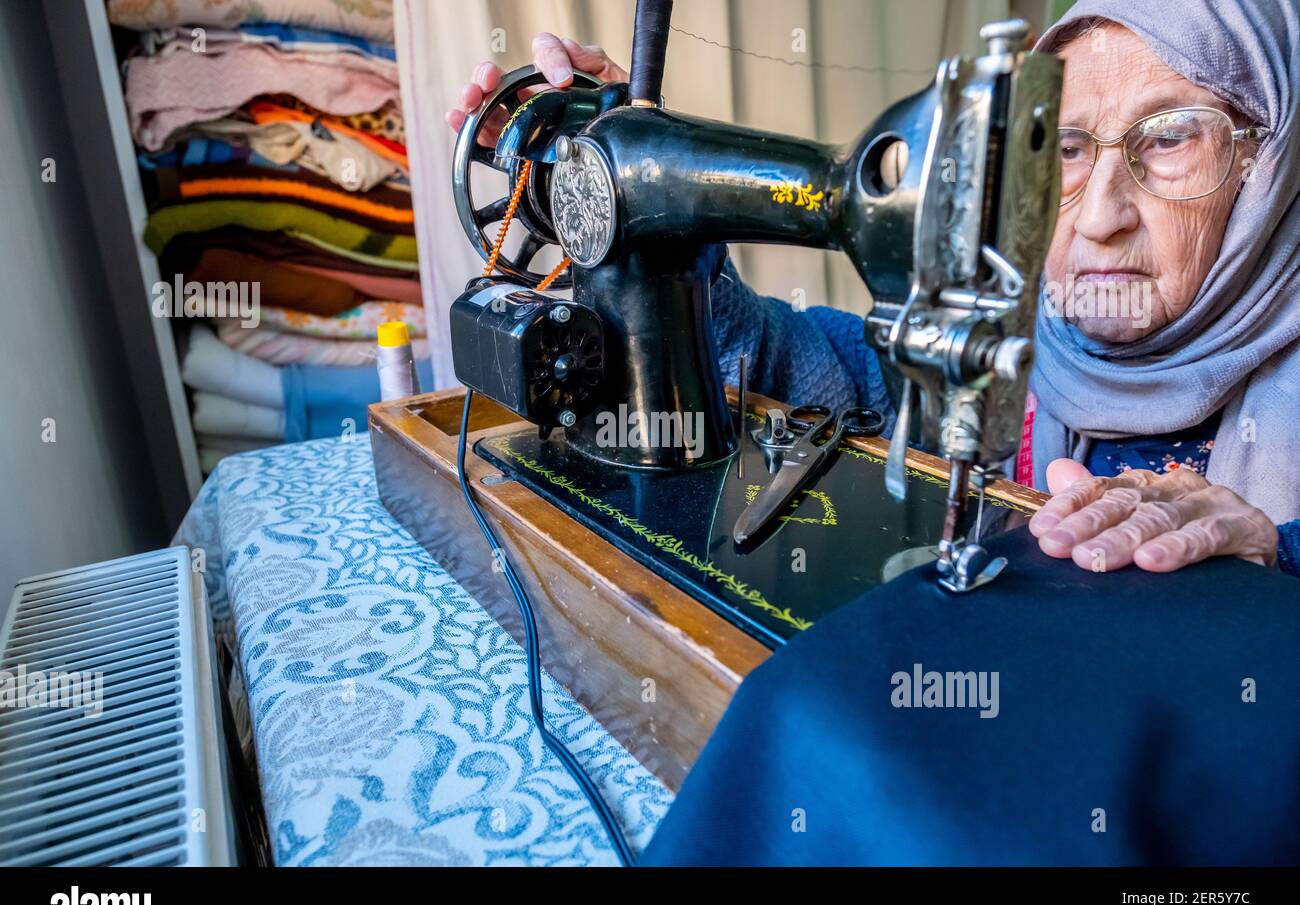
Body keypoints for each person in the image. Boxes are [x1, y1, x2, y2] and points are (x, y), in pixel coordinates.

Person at [447, 3, 1300, 578]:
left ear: (1272, 166)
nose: (1101, 215)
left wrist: (1278, 551)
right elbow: (819, 367)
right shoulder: (1034, 339)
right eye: (1068, 150)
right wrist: (619, 195)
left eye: (1170, 139)